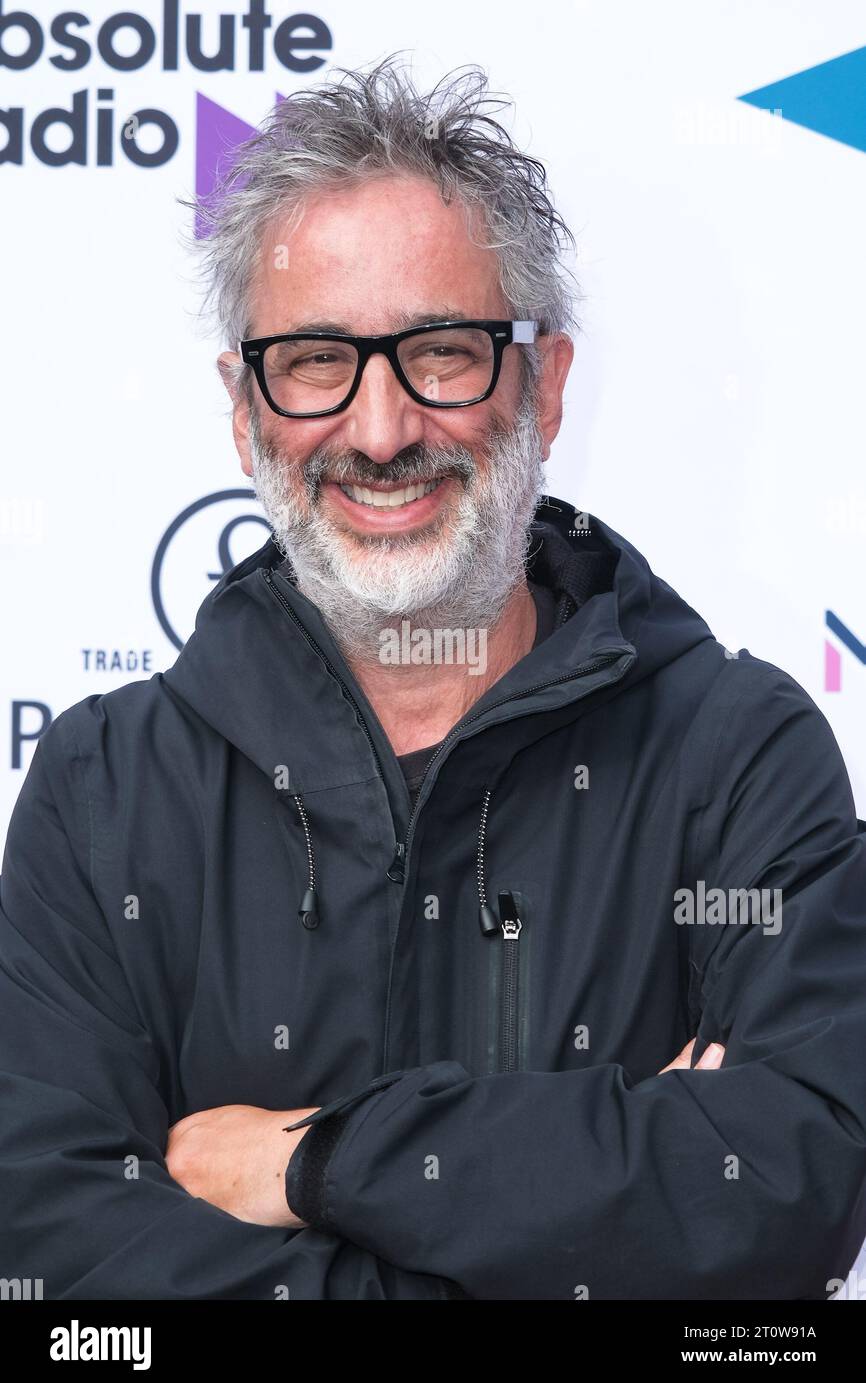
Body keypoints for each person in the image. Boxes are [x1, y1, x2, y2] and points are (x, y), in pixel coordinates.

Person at [2, 56, 865, 1302]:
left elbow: (791, 1188)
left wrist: (311, 1165)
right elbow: (56, 1268)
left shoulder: (736, 759)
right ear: (244, 413)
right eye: (313, 361)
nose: (379, 429)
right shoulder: (101, 792)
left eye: (441, 352)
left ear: (544, 385)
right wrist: (596, 1197)